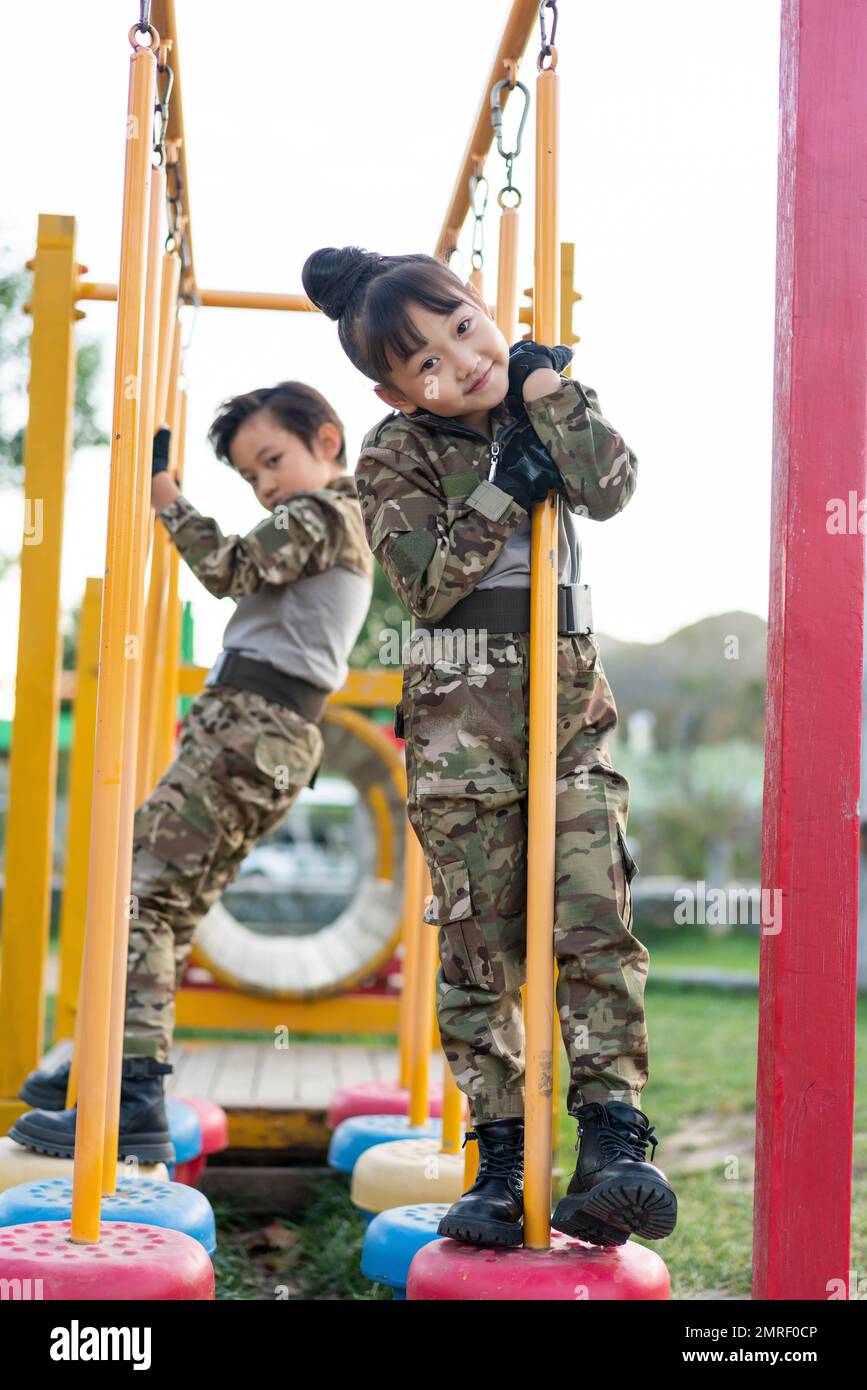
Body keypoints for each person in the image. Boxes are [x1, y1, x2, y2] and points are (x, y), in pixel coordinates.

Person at [301, 245, 678, 1250]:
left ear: (485, 304)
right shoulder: (393, 453)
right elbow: (426, 581)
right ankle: (504, 1152)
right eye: (424, 361)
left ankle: (612, 1140)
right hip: (465, 727)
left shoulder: (545, 398)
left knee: (597, 913)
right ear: (393, 389)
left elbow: (612, 486)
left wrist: (553, 392)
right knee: (482, 949)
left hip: (569, 705)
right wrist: (505, 489)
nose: (460, 361)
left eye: (463, 326)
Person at [12, 381, 374, 1163]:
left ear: (327, 440)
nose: (266, 485)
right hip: (267, 731)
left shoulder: (322, 515)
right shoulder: (331, 520)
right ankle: (116, 1061)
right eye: (251, 477)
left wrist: (165, 495)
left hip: (250, 724)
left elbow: (231, 568)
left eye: (272, 460)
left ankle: (129, 1090)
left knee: (138, 891)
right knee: (166, 907)